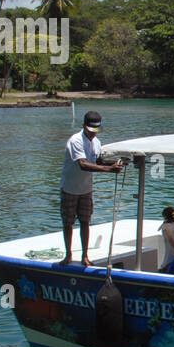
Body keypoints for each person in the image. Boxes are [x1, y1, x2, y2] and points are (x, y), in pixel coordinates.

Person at [59, 110, 124, 267]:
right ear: (84, 126)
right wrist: (109, 171)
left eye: (96, 130)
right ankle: (68, 254)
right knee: (68, 223)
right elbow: (83, 164)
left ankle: (85, 255)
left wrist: (116, 163)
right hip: (70, 188)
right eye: (90, 130)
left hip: (86, 189)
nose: (93, 134)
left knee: (85, 222)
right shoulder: (75, 141)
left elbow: (98, 161)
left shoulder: (97, 142)